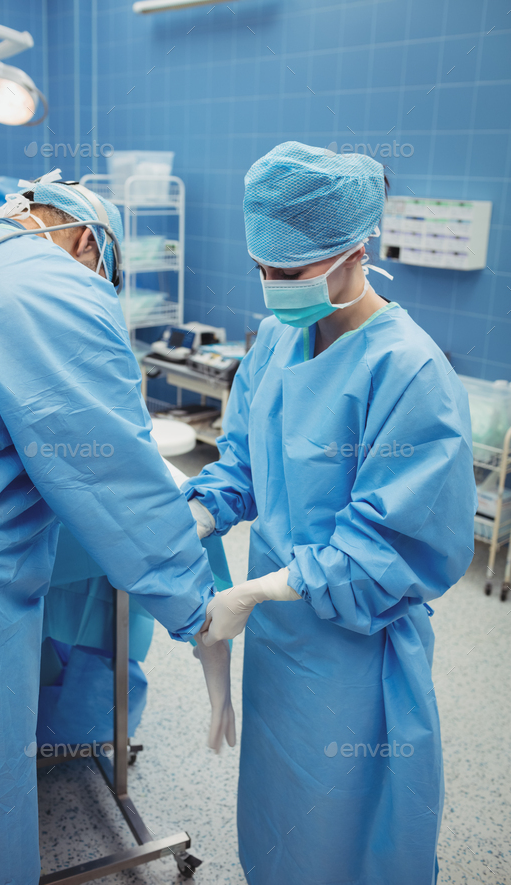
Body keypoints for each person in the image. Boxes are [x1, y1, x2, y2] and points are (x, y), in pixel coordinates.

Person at [0, 172, 235, 885]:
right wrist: (199, 612)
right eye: (106, 276)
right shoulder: (51, 286)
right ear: (88, 242)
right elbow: (116, 476)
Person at [184, 143, 477, 885]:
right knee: (278, 826)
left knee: (343, 837)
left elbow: (391, 547)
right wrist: (203, 512)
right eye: (264, 268)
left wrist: (254, 590)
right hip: (281, 646)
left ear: (357, 251)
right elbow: (245, 458)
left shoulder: (409, 371)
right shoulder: (279, 337)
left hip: (355, 652)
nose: (274, 286)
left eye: (293, 270)